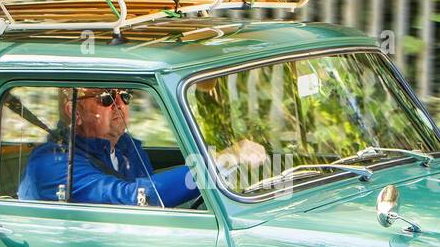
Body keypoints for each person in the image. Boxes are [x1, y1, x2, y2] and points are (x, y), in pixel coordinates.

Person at [19, 87, 261, 207]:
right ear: (74, 111)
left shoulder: (125, 148)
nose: (119, 105)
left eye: (124, 96)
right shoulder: (55, 163)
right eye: (106, 98)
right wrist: (220, 161)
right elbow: (135, 198)